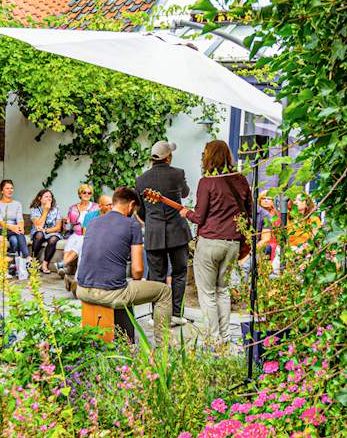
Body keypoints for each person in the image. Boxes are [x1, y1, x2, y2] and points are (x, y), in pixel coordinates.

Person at [76, 187, 172, 344]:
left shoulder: (92, 223)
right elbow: (137, 271)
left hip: (82, 289)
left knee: (122, 286)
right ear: (131, 204)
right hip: (110, 293)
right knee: (164, 291)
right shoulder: (132, 225)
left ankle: (126, 342)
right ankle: (164, 348)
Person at [179, 140, 251, 342]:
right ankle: (225, 337)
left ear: (209, 157)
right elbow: (249, 211)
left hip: (210, 242)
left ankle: (214, 338)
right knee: (223, 291)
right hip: (233, 243)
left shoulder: (206, 182)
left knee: (208, 293)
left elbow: (200, 217)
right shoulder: (241, 179)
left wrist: (186, 213)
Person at [135, 140, 191, 325]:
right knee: (179, 273)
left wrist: (152, 220)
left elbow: (140, 210)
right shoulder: (178, 174)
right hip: (177, 231)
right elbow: (185, 194)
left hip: (154, 233)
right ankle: (176, 313)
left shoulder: (141, 179)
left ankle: (157, 316)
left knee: (156, 275)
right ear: (168, 157)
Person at [55, 184, 98, 277]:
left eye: (89, 193)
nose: (87, 194)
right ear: (80, 194)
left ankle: (62, 265)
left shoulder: (96, 207)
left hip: (87, 234)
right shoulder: (73, 208)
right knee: (69, 244)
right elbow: (68, 227)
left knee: (79, 243)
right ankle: (63, 267)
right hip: (75, 233)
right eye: (84, 192)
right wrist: (66, 222)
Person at [0, 179, 29, 280]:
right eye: (7, 188)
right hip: (0, 230)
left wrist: (20, 227)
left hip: (14, 231)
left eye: (11, 188)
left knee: (14, 240)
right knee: (17, 233)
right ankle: (27, 257)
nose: (10, 190)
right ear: (2, 191)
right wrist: (14, 228)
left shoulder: (17, 204)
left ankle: (13, 265)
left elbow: (20, 219)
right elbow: (0, 222)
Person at [29, 189, 63, 275]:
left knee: (53, 239)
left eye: (50, 197)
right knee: (39, 235)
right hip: (38, 232)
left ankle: (45, 264)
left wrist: (46, 230)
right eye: (46, 196)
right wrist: (46, 210)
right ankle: (33, 262)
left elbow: (58, 227)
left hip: (52, 232)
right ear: (40, 198)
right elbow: (38, 226)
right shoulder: (35, 209)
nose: (49, 198)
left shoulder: (56, 209)